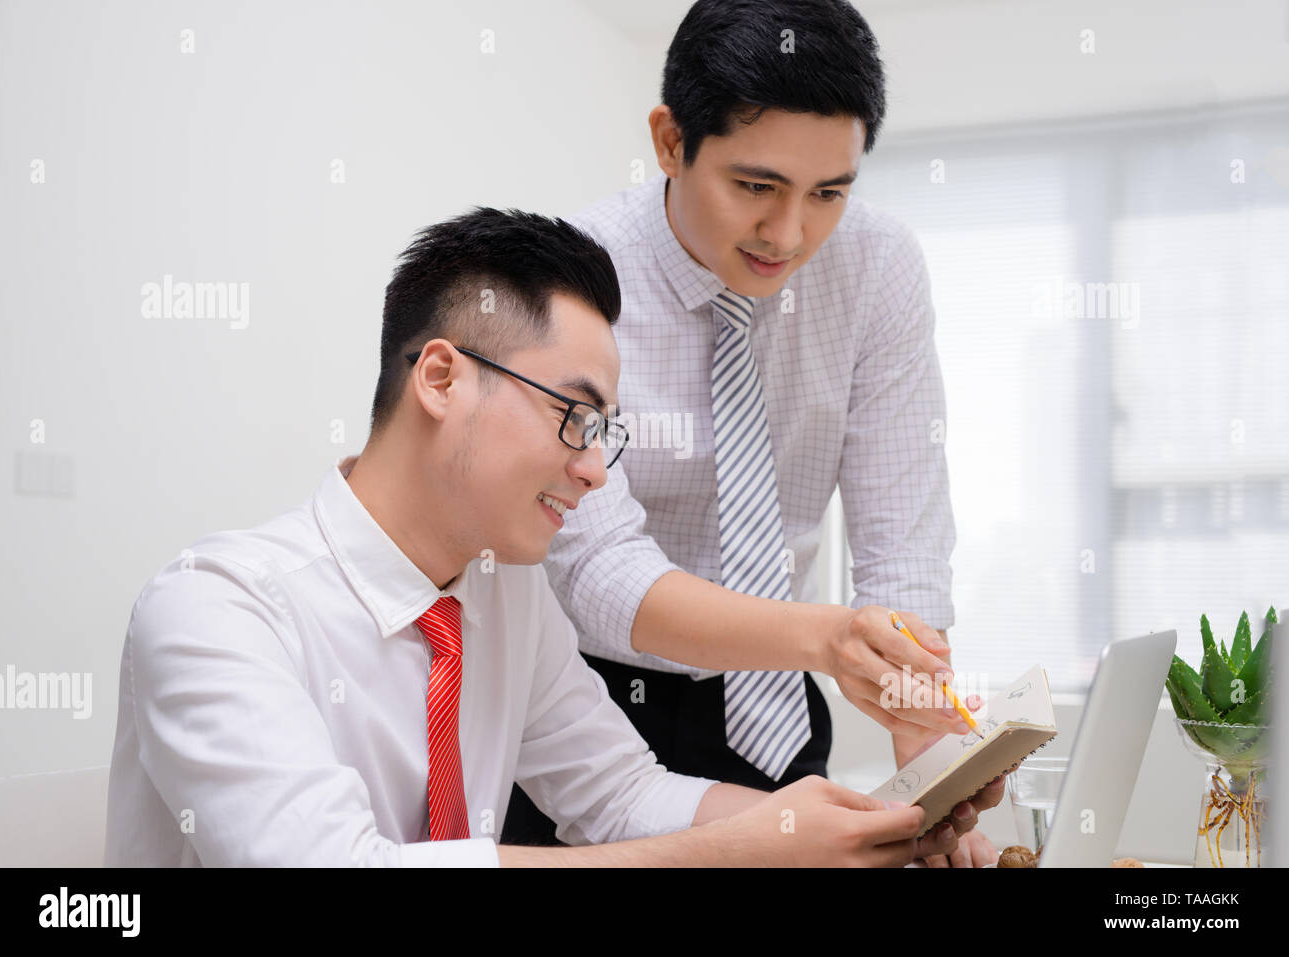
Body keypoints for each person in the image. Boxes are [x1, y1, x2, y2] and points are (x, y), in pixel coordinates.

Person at [103, 207, 968, 866]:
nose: (596, 469)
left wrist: (841, 827)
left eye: (605, 431)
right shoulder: (216, 608)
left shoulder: (506, 595)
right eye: (575, 416)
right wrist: (736, 849)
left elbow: (622, 793)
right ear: (440, 377)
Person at [501, 0, 1005, 866]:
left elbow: (904, 544)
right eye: (756, 187)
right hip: (584, 712)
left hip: (777, 712)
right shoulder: (576, 275)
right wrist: (824, 637)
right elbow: (600, 575)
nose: (790, 234)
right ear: (669, 141)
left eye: (829, 193)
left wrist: (930, 759)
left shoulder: (879, 266)